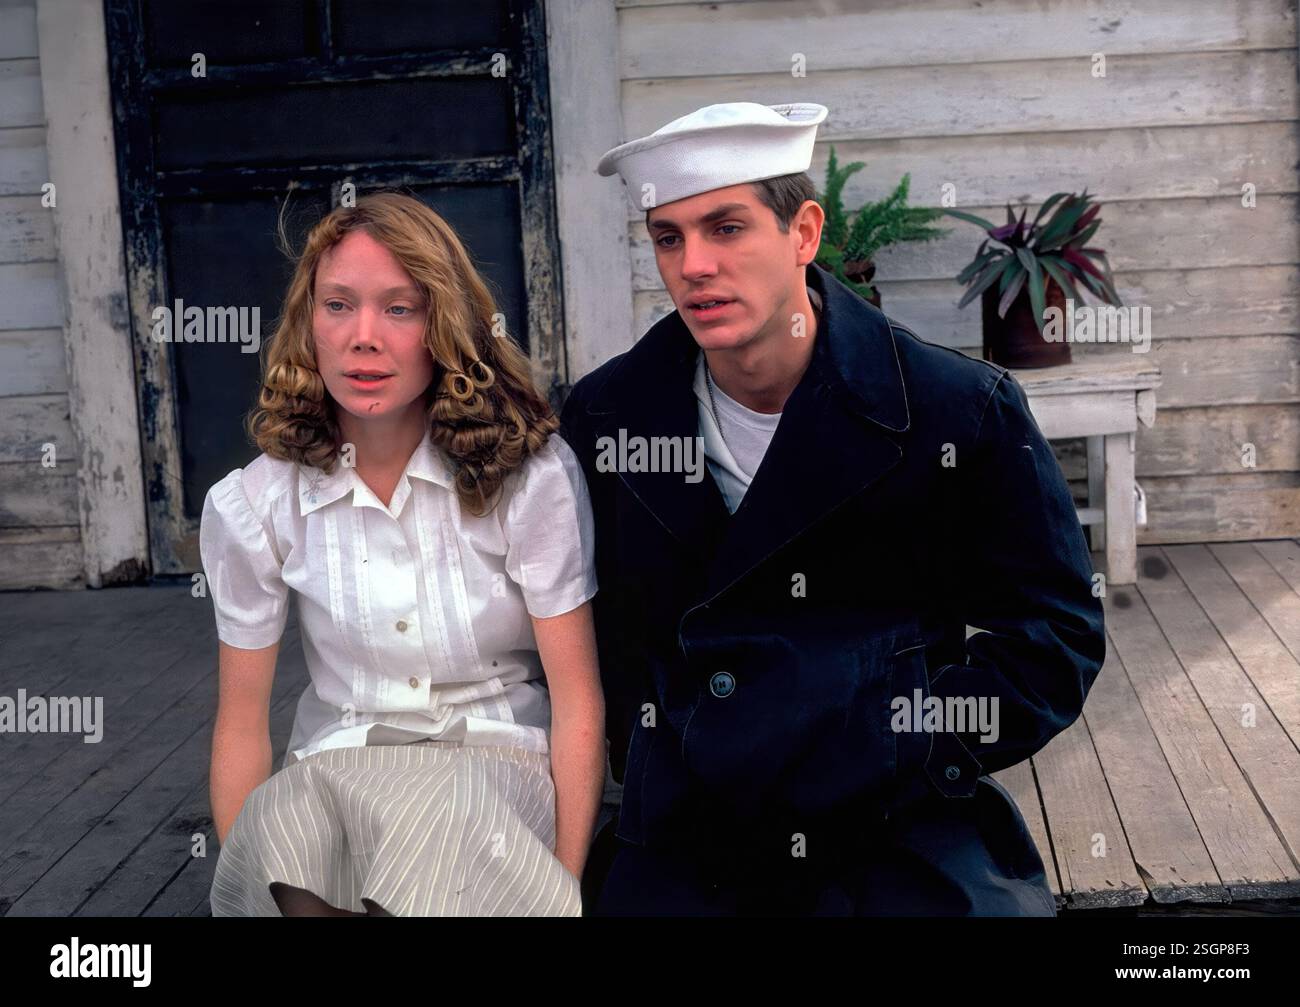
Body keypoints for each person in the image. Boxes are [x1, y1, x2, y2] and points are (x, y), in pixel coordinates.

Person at [563, 102, 1107, 915]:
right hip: (691, 824)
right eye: (668, 237)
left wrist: (909, 740)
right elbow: (600, 631)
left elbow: (1055, 633)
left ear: (804, 232)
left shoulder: (954, 409)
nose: (694, 265)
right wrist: (652, 752)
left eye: (727, 228)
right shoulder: (608, 416)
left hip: (896, 816)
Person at [200, 191, 605, 917]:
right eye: (338, 305)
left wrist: (563, 885)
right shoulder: (256, 502)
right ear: (308, 324)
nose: (363, 337)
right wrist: (253, 876)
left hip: (488, 768)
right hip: (338, 763)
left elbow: (577, 702)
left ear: (442, 325)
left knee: (436, 829)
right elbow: (240, 724)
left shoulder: (527, 478)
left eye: (399, 307)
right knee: (284, 824)